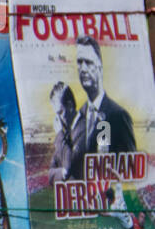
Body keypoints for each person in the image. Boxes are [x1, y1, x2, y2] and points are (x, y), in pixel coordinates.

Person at [69, 35, 134, 178]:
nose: (83, 68)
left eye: (88, 62)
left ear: (100, 67)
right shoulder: (79, 117)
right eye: (79, 62)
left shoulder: (118, 115)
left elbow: (131, 171)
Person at [47, 82, 77, 185]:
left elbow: (67, 169)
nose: (58, 120)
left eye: (60, 112)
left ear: (70, 106)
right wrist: (61, 172)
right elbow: (50, 175)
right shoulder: (63, 137)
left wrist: (60, 133)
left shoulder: (83, 128)